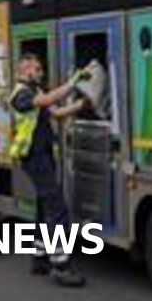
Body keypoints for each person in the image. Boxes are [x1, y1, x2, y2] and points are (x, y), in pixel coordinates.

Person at [9, 53, 91, 288]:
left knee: (45, 207)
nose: (41, 72)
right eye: (37, 69)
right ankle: (61, 265)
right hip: (34, 157)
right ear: (25, 70)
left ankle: (40, 257)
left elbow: (55, 113)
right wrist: (73, 82)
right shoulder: (21, 93)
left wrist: (81, 105)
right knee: (57, 208)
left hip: (42, 155)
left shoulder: (34, 90)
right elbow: (47, 102)